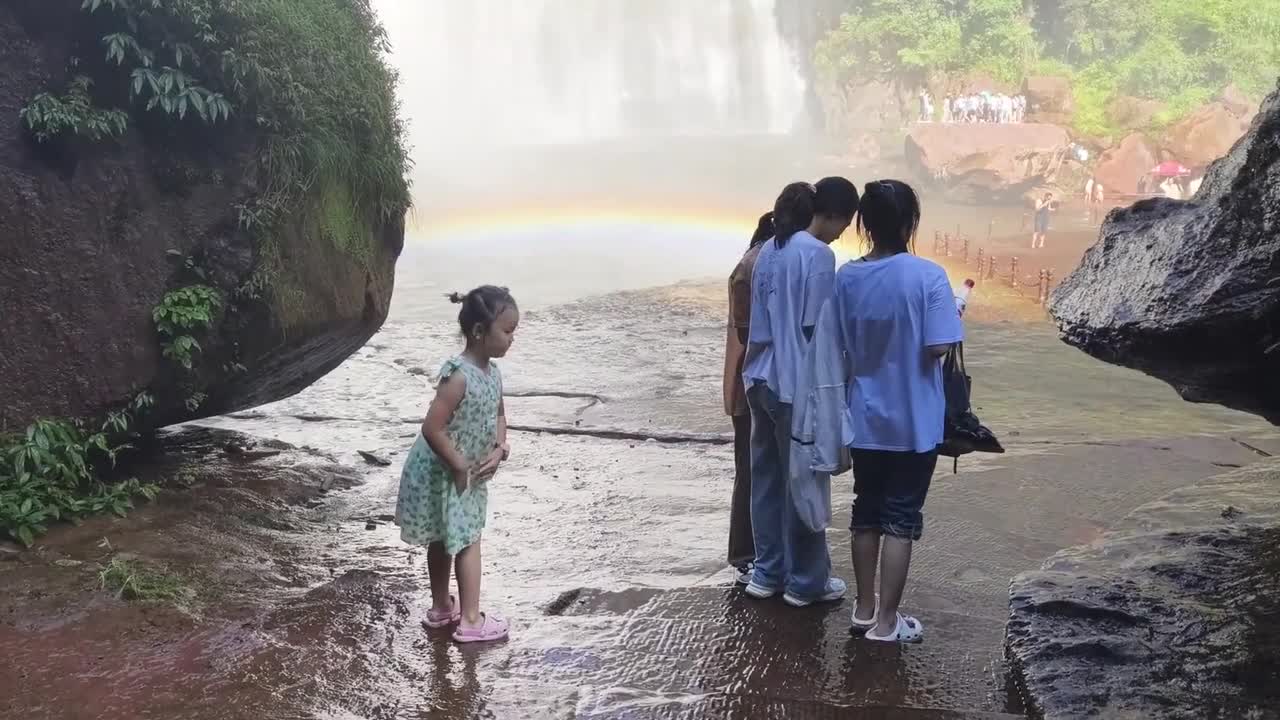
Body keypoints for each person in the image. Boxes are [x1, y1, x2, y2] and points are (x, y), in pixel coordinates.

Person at [832, 179, 962, 642]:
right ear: (910, 222)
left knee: (865, 512)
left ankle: (863, 609)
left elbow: (838, 344)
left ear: (865, 223)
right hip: (914, 421)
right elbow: (938, 346)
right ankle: (888, 623)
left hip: (863, 417)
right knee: (900, 519)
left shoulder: (845, 277)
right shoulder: (928, 276)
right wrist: (955, 312)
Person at [744, 177, 859, 607]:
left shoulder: (770, 250)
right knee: (804, 481)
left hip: (758, 377)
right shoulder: (818, 255)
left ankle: (767, 571)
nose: (840, 234)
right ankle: (807, 581)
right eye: (843, 225)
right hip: (794, 383)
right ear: (832, 215)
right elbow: (816, 327)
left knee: (767, 480)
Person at [395, 285, 519, 643]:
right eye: (507, 331)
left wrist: (500, 448)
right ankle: (469, 621)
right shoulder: (458, 375)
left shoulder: (493, 374)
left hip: (469, 469)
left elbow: (499, 415)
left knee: (447, 536)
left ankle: (440, 609)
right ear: (480, 332)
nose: (512, 339)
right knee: (467, 540)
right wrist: (458, 465)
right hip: (448, 468)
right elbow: (432, 427)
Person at [723, 212, 774, 584]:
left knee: (755, 470)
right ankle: (746, 555)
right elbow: (748, 332)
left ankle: (756, 553)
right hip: (749, 384)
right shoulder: (754, 267)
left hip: (748, 382)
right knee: (752, 470)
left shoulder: (752, 262)